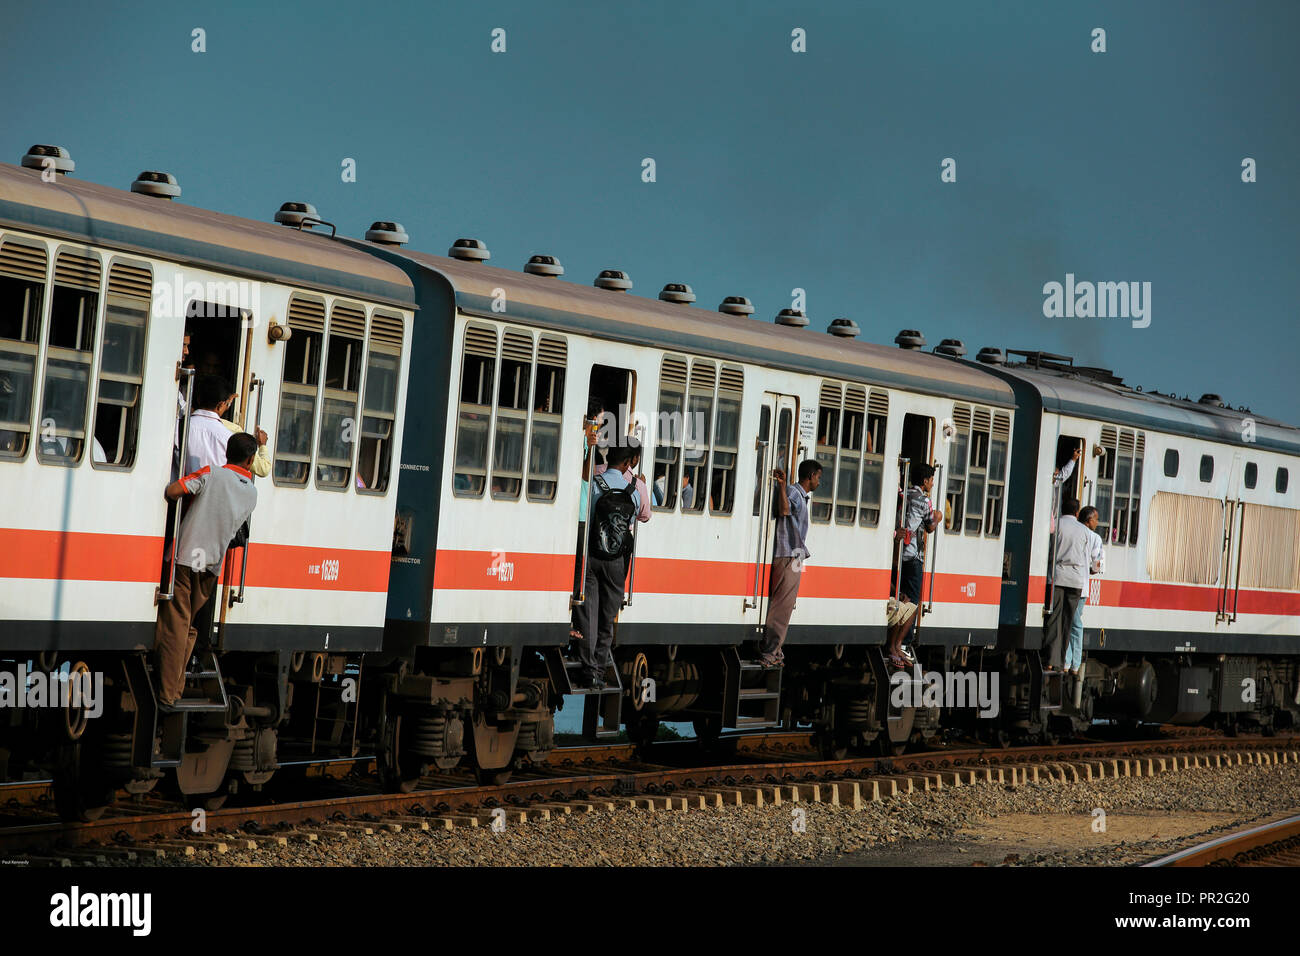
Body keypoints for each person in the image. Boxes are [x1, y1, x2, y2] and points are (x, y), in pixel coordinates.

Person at [154, 432, 259, 707]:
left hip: (187, 557)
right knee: (187, 627)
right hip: (211, 565)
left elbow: (174, 490)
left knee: (176, 625)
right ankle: (175, 689)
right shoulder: (251, 492)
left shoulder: (211, 473)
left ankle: (167, 695)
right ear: (250, 460)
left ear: (227, 452)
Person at [573, 443, 641, 688]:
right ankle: (600, 672)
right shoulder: (634, 489)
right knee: (607, 617)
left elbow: (585, 515)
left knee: (587, 614)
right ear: (627, 464)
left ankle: (588, 669)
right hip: (616, 562)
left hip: (591, 556)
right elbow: (640, 516)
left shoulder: (594, 484)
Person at [758, 459, 822, 668]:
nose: (819, 482)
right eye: (818, 478)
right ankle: (770, 652)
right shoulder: (795, 492)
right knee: (782, 606)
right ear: (811, 476)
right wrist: (783, 487)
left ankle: (776, 650)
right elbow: (784, 510)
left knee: (787, 604)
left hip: (795, 555)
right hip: (789, 555)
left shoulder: (801, 496)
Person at [887, 463, 939, 668]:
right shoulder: (924, 500)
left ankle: (894, 644)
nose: (932, 483)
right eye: (932, 480)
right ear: (925, 481)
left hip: (897, 553)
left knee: (901, 599)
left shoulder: (901, 495)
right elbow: (930, 526)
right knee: (913, 604)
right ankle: (900, 644)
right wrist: (939, 517)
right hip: (913, 556)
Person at [1043, 498, 1091, 672]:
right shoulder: (1084, 531)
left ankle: (1051, 660)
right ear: (1077, 512)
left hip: (1057, 577)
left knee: (1054, 619)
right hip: (1076, 580)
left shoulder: (1056, 525)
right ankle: (1064, 662)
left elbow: (1049, 550)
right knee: (1068, 622)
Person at [1065, 506, 1105, 675]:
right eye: (1096, 519)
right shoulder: (1094, 538)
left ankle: (1069, 662)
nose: (1097, 522)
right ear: (1089, 520)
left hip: (1069, 583)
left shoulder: (1074, 533)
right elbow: (1096, 566)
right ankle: (1072, 663)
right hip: (1081, 587)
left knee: (1069, 622)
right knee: (1074, 623)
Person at [185, 374, 239, 474]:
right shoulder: (228, 437)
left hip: (180, 488)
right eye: (227, 404)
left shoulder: (180, 427)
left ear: (199, 399)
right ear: (220, 405)